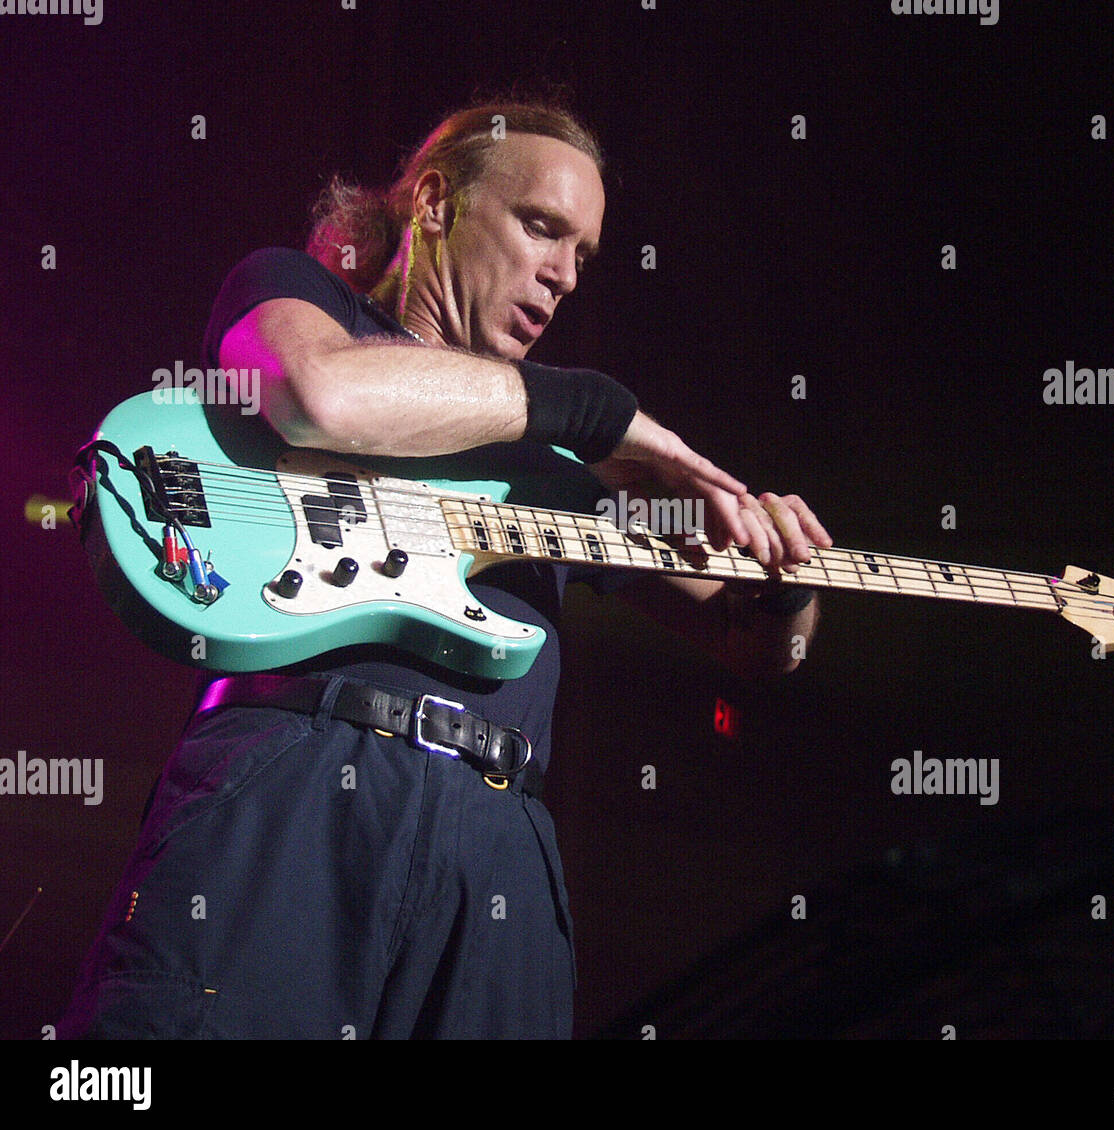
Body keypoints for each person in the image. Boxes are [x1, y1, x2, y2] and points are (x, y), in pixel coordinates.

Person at [59, 100, 830, 1039]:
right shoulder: (302, 295)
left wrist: (791, 585)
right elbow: (321, 395)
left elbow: (751, 639)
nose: (563, 275)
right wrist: (591, 406)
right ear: (432, 204)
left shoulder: (557, 462)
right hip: (297, 788)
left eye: (582, 255)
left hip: (496, 841)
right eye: (541, 227)